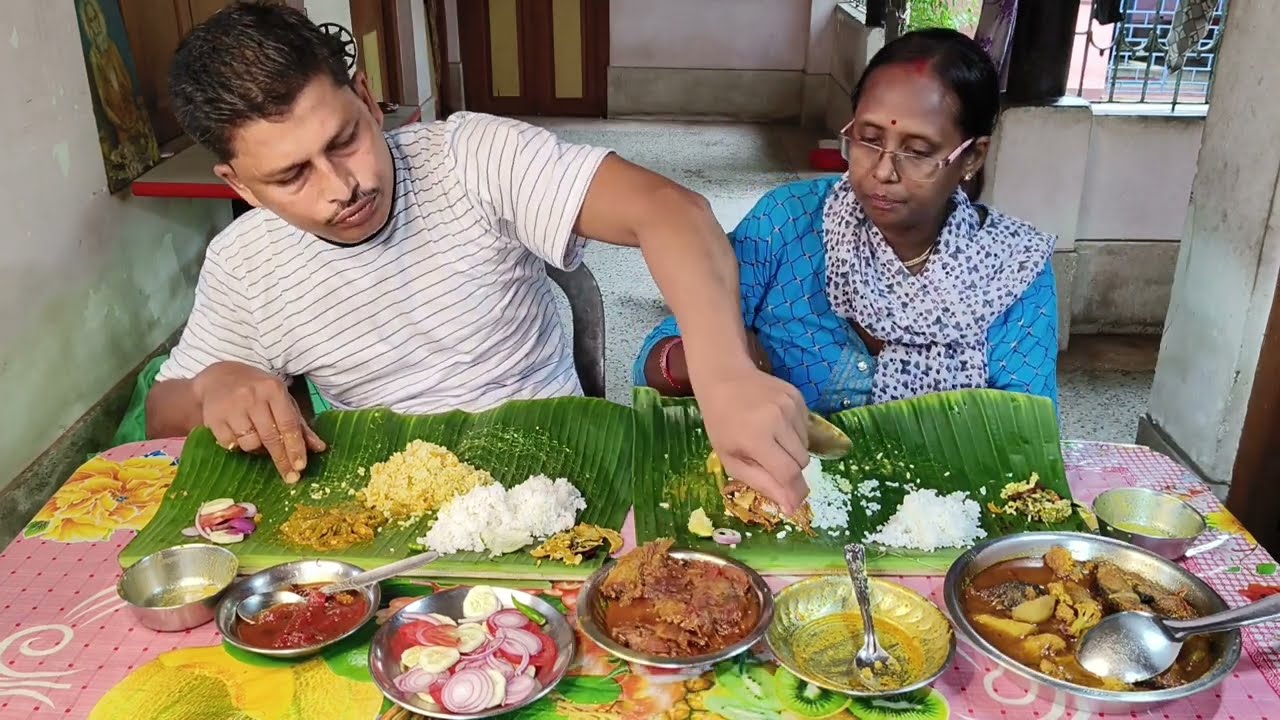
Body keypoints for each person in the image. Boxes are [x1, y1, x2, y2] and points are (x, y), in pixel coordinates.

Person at [147, 3, 810, 512]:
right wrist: (213, 389)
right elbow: (163, 414)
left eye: (345, 139)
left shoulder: (471, 157)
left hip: (563, 477)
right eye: (292, 177)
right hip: (399, 506)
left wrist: (724, 374)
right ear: (238, 186)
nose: (341, 187)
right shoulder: (245, 265)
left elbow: (671, 212)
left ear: (369, 98)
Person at [635, 29, 1059, 415]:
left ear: (971, 157)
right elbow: (652, 368)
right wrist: (711, 357)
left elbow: (1024, 433)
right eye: (869, 140)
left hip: (938, 499)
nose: (882, 171)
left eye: (917, 151)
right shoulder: (787, 224)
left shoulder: (1014, 270)